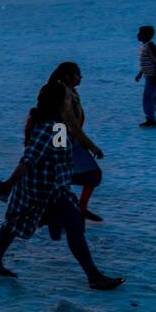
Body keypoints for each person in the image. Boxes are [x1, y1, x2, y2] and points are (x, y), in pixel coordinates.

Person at [0, 82, 124, 291]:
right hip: (43, 189)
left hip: (50, 187)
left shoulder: (57, 127)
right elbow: (28, 160)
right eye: (68, 99)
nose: (71, 101)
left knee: (16, 221)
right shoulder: (48, 128)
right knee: (73, 225)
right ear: (59, 103)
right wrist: (8, 184)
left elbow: (59, 157)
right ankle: (94, 277)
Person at [48, 62, 104, 221]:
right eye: (78, 74)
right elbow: (70, 124)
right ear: (68, 76)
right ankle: (71, 208)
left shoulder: (71, 92)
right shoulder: (64, 94)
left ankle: (78, 208)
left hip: (71, 139)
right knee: (85, 174)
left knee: (69, 175)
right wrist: (91, 146)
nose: (81, 77)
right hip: (63, 137)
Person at [135, 25, 156, 127]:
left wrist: (154, 77)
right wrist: (140, 74)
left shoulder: (150, 47)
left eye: (140, 33)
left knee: (148, 98)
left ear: (145, 36)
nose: (137, 35)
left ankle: (151, 120)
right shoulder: (145, 47)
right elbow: (147, 63)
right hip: (151, 76)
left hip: (154, 77)